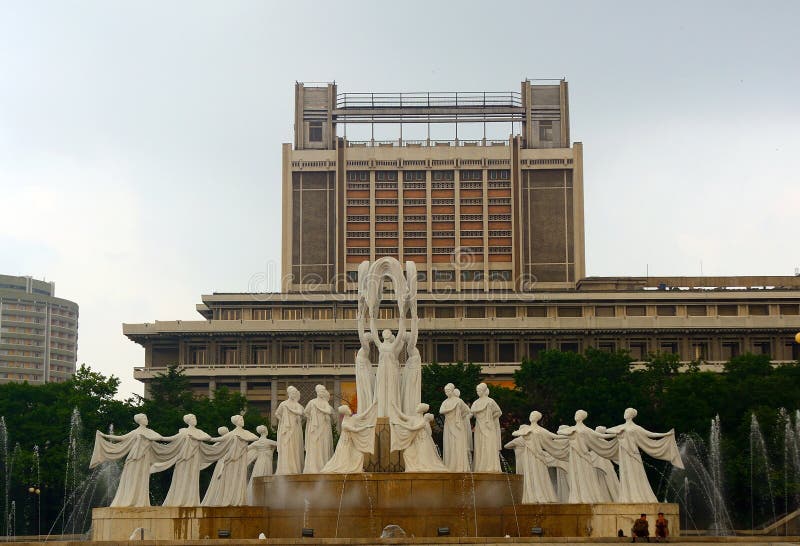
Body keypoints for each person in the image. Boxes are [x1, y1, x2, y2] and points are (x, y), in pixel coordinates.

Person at [470, 383, 502, 472]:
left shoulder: (490, 401)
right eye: (477, 391)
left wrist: (491, 418)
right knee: (479, 445)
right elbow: (471, 412)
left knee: (488, 445)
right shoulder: (476, 402)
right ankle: (480, 466)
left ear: (484, 391)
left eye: (479, 390)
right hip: (479, 427)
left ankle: (490, 466)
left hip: (488, 427)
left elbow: (499, 412)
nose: (478, 392)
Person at [274, 386, 305, 475]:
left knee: (295, 446)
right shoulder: (283, 404)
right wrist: (282, 420)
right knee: (286, 446)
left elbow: (301, 414)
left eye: (294, 393)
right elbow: (277, 413)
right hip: (286, 428)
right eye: (292, 393)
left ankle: (295, 468)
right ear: (288, 394)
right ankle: (285, 468)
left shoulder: (298, 405)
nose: (293, 395)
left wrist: (297, 419)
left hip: (295, 428)